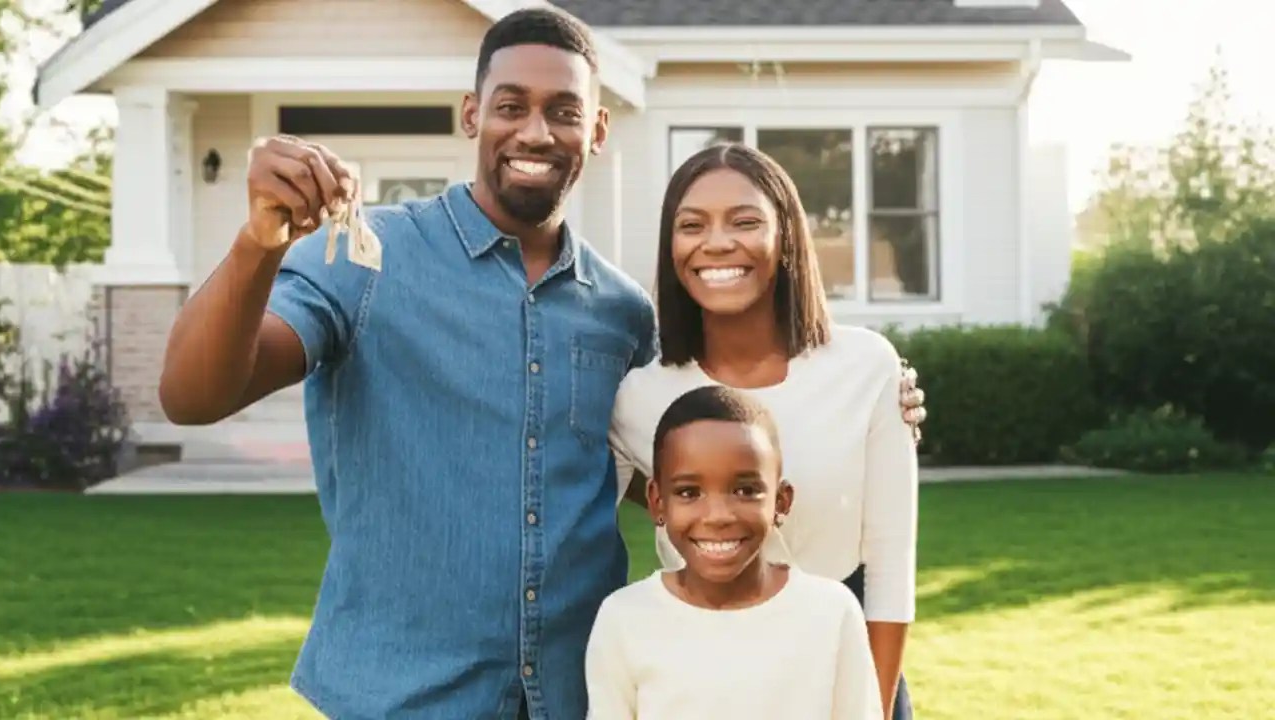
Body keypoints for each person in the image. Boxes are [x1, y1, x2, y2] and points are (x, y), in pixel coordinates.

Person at [158, 8, 659, 719]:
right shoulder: (365, 261)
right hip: (399, 699)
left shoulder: (623, 311)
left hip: (578, 697)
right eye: (510, 106)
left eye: (564, 111)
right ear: (471, 115)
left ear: (598, 131)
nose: (535, 132)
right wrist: (257, 244)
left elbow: (657, 478)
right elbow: (193, 396)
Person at [609, 143, 921, 719]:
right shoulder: (639, 395)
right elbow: (580, 513)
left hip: (845, 668)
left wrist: (871, 710)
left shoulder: (867, 367)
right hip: (697, 672)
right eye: (691, 225)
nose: (717, 242)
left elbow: (891, 565)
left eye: (746, 221)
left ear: (787, 237)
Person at [585, 385, 885, 720]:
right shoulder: (624, 619)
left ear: (781, 501)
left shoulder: (832, 613)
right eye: (689, 492)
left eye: (745, 490)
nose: (718, 516)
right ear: (657, 502)